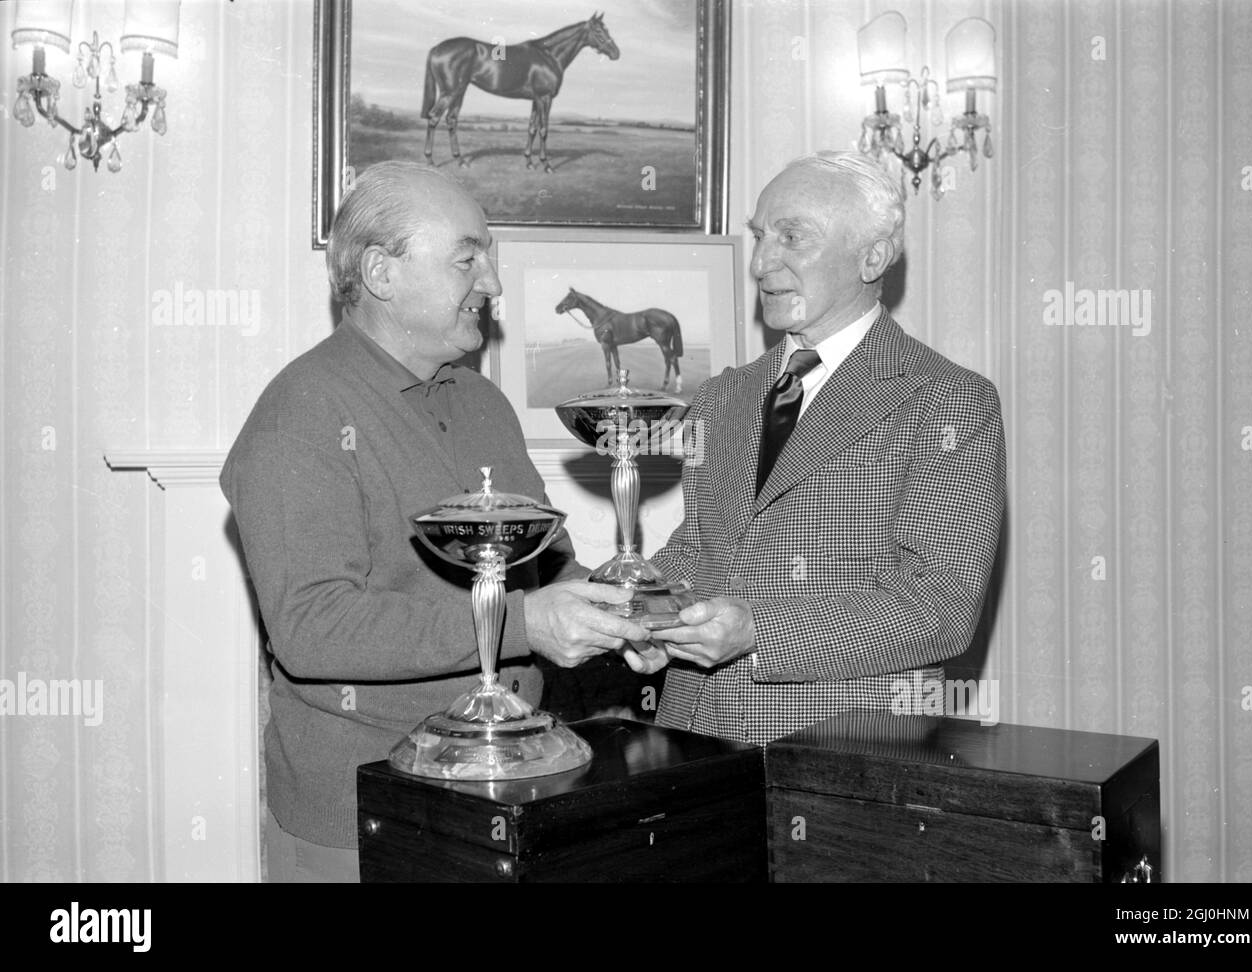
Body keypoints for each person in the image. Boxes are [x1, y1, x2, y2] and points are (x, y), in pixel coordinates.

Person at [221, 160, 648, 882]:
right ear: (382, 273)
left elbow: (547, 568)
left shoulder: (485, 404)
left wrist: (621, 614)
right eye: (467, 259)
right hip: (365, 816)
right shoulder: (299, 415)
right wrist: (524, 624)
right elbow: (313, 628)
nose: (493, 284)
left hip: (513, 786)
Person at [627, 151, 1006, 747]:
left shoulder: (947, 400)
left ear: (872, 255)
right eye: (758, 237)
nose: (759, 262)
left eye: (791, 236)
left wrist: (761, 632)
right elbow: (703, 550)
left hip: (842, 749)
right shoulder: (723, 394)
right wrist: (645, 612)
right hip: (693, 736)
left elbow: (942, 608)